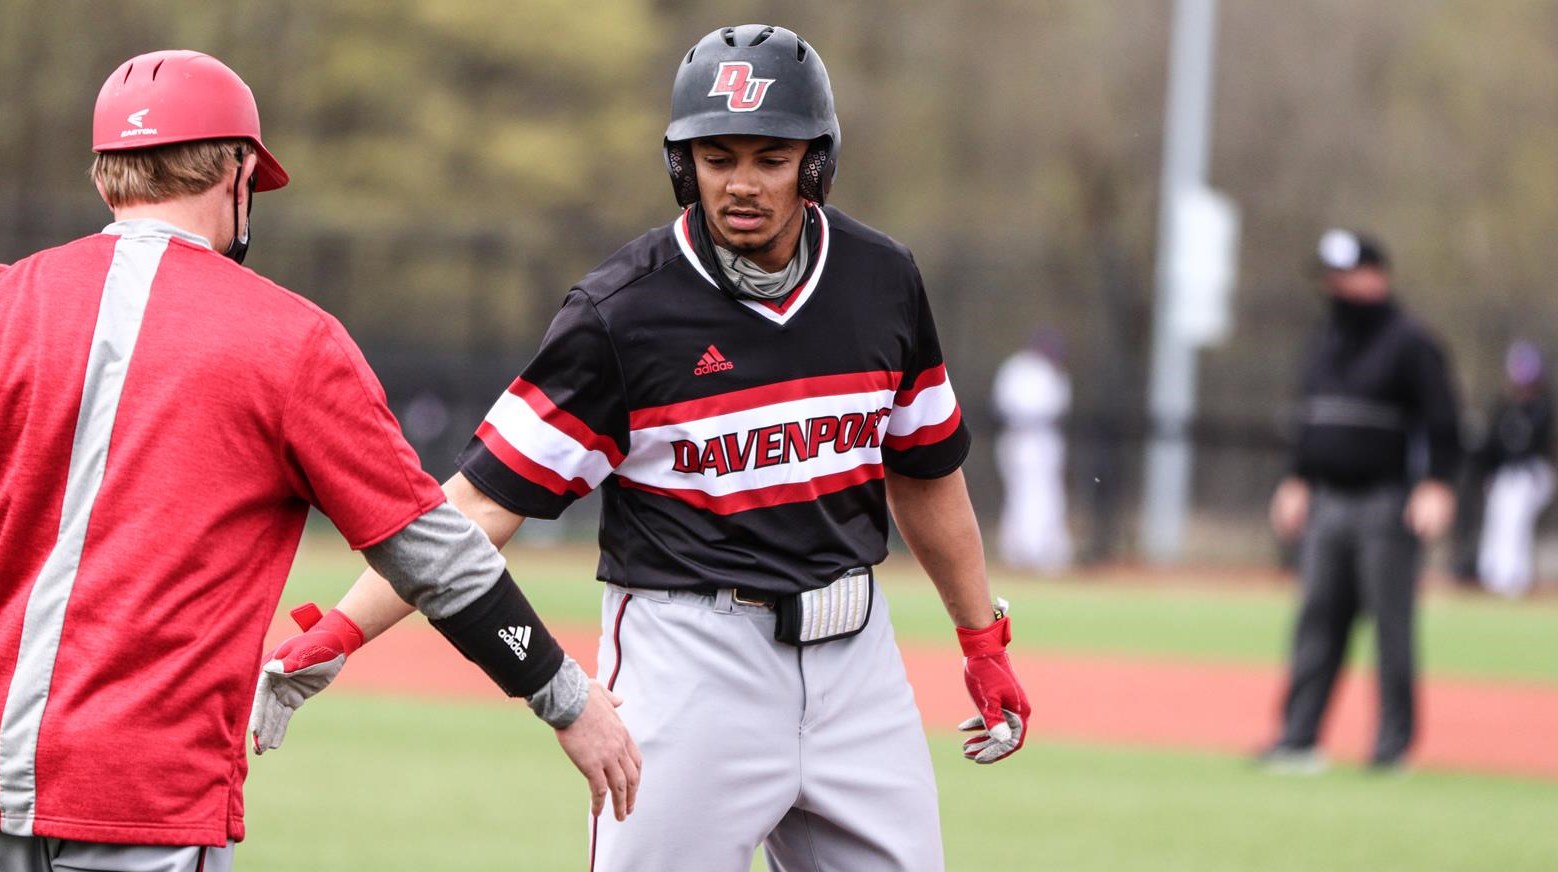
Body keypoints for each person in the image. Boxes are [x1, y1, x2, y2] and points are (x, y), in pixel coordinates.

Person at [266, 24, 1030, 871]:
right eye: (717, 156)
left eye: (771, 158)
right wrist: (341, 628)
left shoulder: (882, 278)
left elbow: (924, 470)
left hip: (859, 664)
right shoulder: (619, 314)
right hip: (693, 661)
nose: (741, 183)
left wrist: (981, 641)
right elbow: (481, 503)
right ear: (681, 162)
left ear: (816, 164)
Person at [0, 50, 636, 872]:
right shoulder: (289, 341)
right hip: (142, 803)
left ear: (105, 177)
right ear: (236, 171)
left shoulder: (13, 299)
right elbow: (437, 558)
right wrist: (564, 696)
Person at [1263, 228, 1460, 773]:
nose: (1336, 287)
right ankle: (1298, 738)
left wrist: (1438, 483)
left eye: (1346, 275)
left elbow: (1443, 421)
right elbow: (1312, 421)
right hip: (1328, 501)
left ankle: (1392, 747)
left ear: (1377, 275)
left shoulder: (1411, 341)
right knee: (1317, 619)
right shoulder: (1326, 339)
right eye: (1330, 277)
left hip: (1385, 503)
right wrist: (1297, 478)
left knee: (1391, 626)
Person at [1472, 340, 1555, 597]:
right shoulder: (1504, 407)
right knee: (1498, 516)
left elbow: (1534, 446)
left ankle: (1513, 578)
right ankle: (1492, 574)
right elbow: (1493, 446)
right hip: (1505, 474)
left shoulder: (1542, 407)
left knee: (1514, 516)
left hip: (1531, 473)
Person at [992, 328, 1074, 572]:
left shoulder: (1053, 373)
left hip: (1043, 439)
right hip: (1021, 437)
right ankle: (1025, 552)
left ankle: (1040, 552)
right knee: (1026, 495)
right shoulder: (1018, 369)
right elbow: (1007, 406)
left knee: (1046, 496)